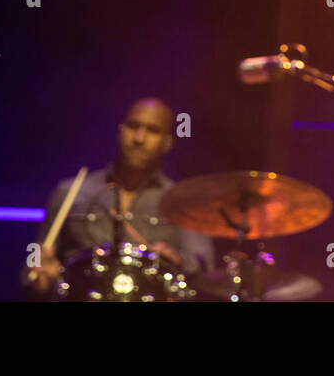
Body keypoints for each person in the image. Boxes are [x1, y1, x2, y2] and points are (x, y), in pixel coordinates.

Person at [23, 97, 216, 298]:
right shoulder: (71, 191)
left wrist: (175, 260)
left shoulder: (184, 201)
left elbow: (203, 266)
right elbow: (34, 258)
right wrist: (40, 274)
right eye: (133, 126)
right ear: (121, 131)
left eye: (152, 130)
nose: (139, 138)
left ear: (167, 143)